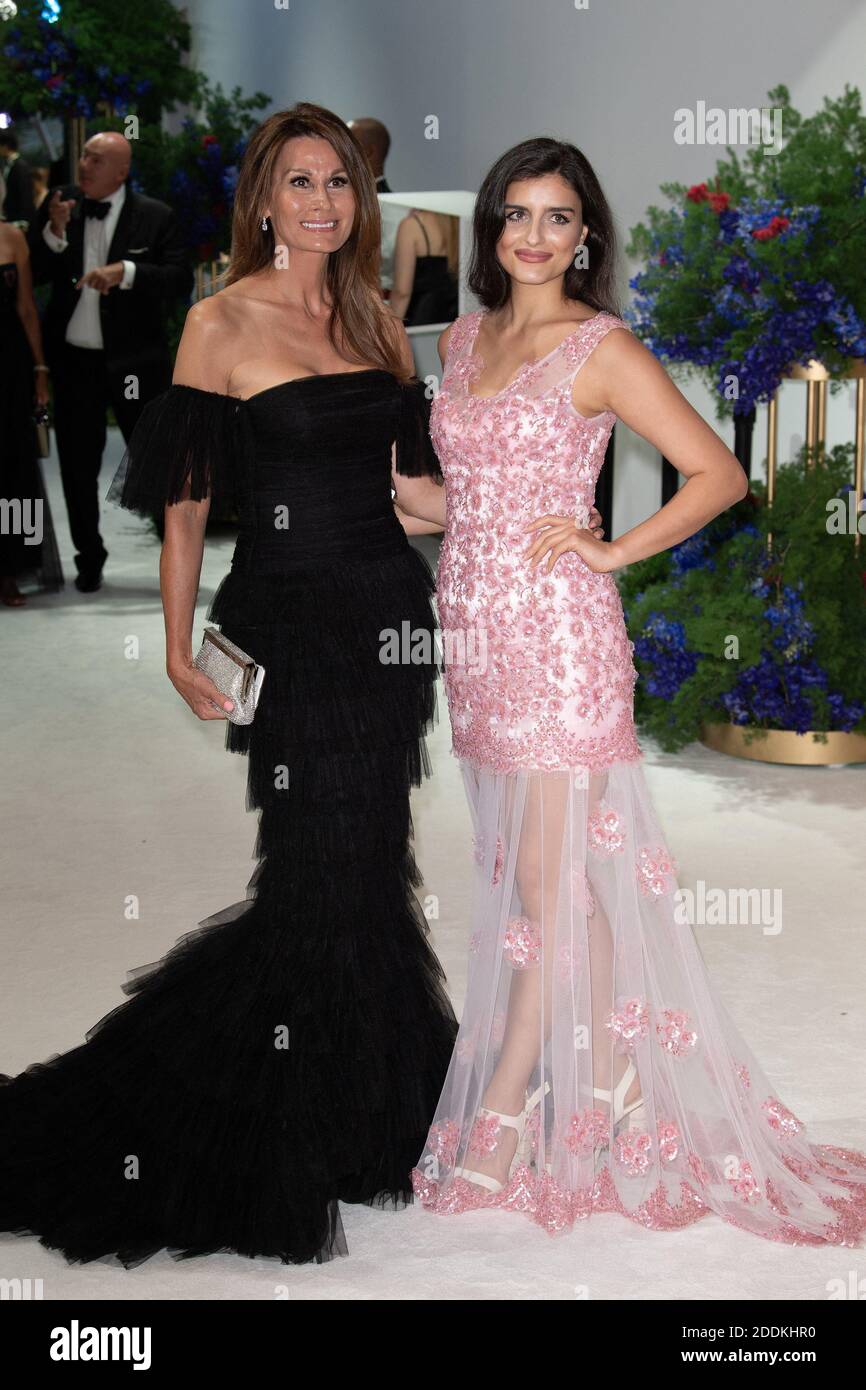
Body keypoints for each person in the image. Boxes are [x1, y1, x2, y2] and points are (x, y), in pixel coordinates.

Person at [0, 102, 457, 1269]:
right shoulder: (217, 322)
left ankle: (361, 1113)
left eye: (338, 184)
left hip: (385, 628)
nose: (319, 202)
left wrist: (529, 495)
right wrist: (170, 641)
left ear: (359, 201)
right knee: (312, 870)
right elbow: (188, 500)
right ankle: (248, 1123)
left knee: (361, 867)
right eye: (298, 182)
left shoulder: (377, 320)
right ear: (263, 198)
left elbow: (414, 494)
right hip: (289, 628)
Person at [396, 137, 866, 1245]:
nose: (531, 235)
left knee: (544, 890)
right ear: (489, 225)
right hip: (476, 638)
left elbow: (719, 472)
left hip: (559, 639)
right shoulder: (462, 338)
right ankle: (606, 1071)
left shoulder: (599, 347)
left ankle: (507, 1097)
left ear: (585, 235)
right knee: (540, 870)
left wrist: (612, 554)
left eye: (556, 217)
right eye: (513, 213)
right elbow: (469, 498)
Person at [28, 131, 192, 592]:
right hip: (75, 361)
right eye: (83, 155)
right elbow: (32, 272)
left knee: (156, 463)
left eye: (96, 159)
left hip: (136, 362)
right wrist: (55, 233)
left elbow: (179, 279)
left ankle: (175, 557)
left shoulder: (156, 216)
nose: (84, 164)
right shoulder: (60, 205)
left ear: (122, 170)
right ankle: (88, 558)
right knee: (77, 463)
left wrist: (128, 273)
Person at [0, 220, 64, 605]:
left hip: (9, 365)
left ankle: (10, 568)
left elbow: (26, 307)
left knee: (12, 467)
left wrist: (40, 369)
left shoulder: (11, 236)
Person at [390, 208, 459, 326]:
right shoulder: (459, 224)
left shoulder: (412, 226)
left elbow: (402, 292)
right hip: (454, 324)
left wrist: (390, 328)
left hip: (418, 323)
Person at [0, 130, 35, 227]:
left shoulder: (20, 166)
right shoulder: (8, 165)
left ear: (5, 145)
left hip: (19, 221)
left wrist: (23, 221)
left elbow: (25, 195)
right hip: (10, 219)